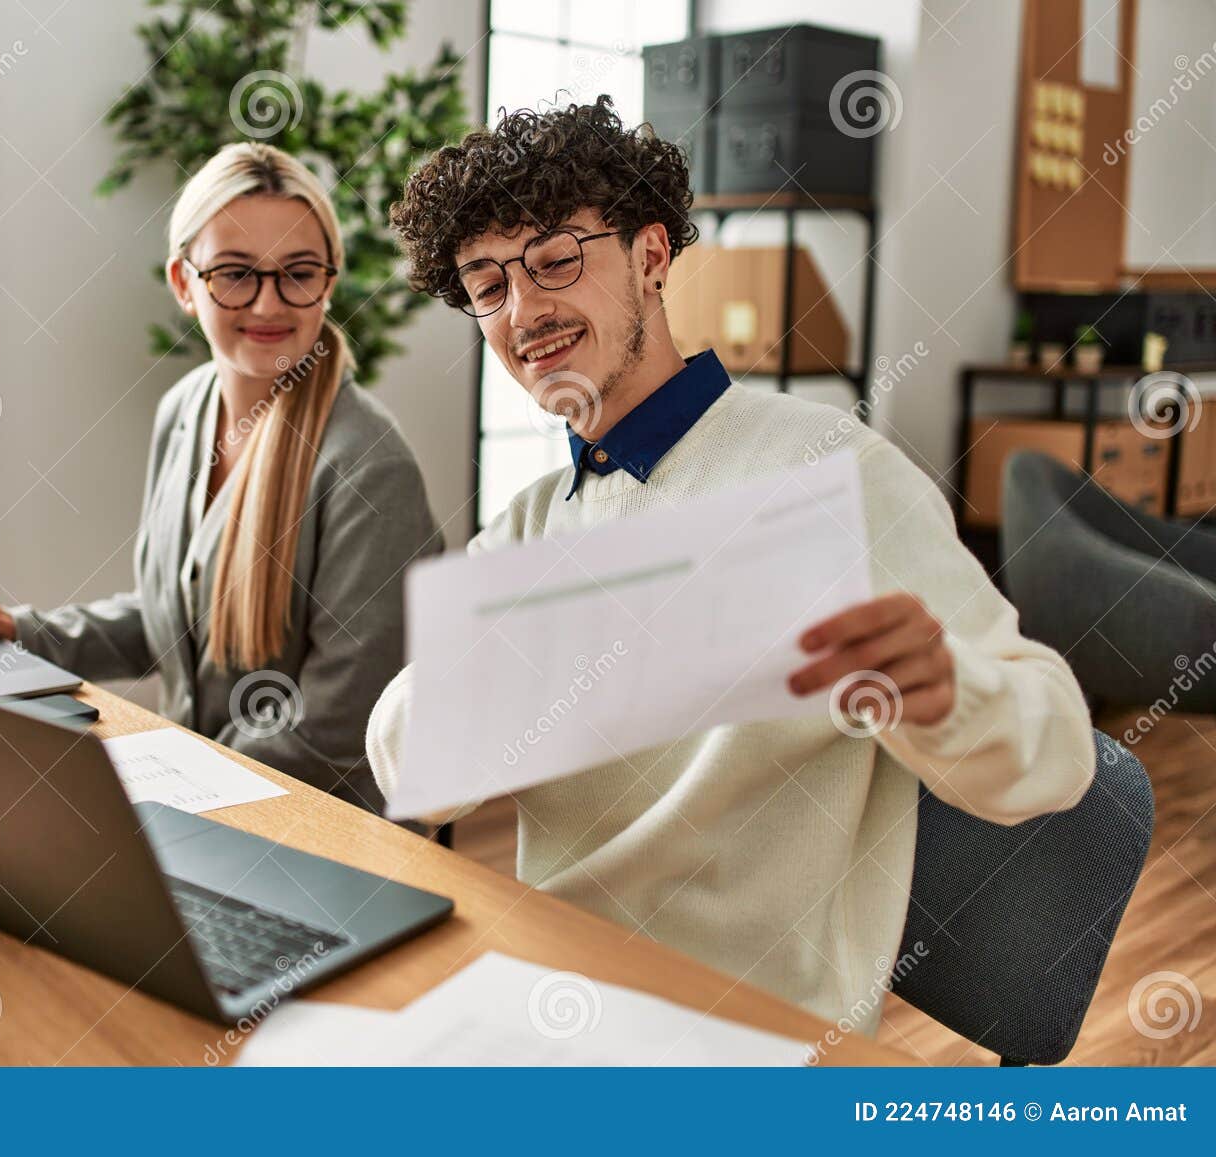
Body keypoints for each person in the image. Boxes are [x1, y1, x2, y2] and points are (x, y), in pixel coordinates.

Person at [368, 96, 1095, 1033]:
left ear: (652, 255)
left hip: (752, 1028)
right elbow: (404, 762)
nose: (525, 311)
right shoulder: (530, 524)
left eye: (555, 259)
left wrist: (940, 692)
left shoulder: (827, 470)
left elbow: (1060, 751)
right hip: (557, 988)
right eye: (487, 285)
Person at [0, 141, 442, 813]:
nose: (268, 302)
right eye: (234, 273)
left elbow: (335, 732)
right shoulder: (185, 410)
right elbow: (175, 616)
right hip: (210, 807)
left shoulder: (370, 467)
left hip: (318, 835)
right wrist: (22, 633)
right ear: (185, 283)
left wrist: (166, 794)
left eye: (298, 272)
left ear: (330, 282)